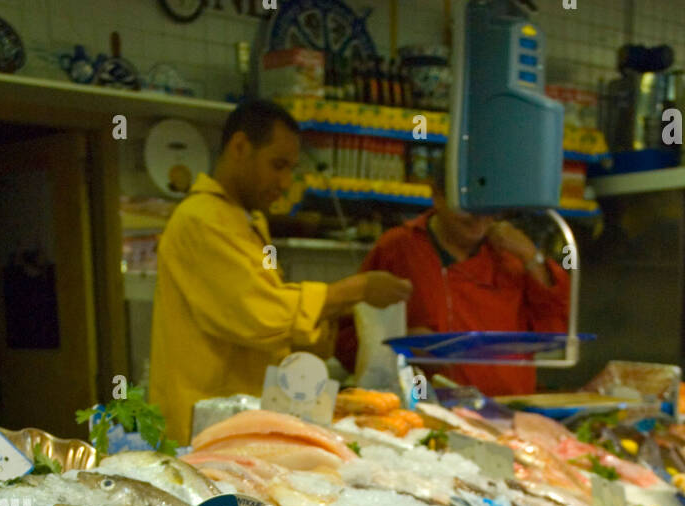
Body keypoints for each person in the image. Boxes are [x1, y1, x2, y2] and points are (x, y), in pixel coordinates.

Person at [150, 99, 412, 443]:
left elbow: (276, 318)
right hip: (201, 431)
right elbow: (259, 316)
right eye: (278, 165)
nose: (286, 181)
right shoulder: (200, 219)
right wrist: (354, 290)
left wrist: (338, 312)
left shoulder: (248, 220)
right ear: (240, 147)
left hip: (243, 422)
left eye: (291, 168)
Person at [337, 171, 570, 398]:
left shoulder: (512, 255)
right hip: (424, 415)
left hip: (511, 414)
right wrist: (401, 343)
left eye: (489, 208)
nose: (480, 218)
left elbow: (554, 330)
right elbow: (347, 339)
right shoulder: (399, 248)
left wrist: (532, 258)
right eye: (468, 206)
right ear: (437, 195)